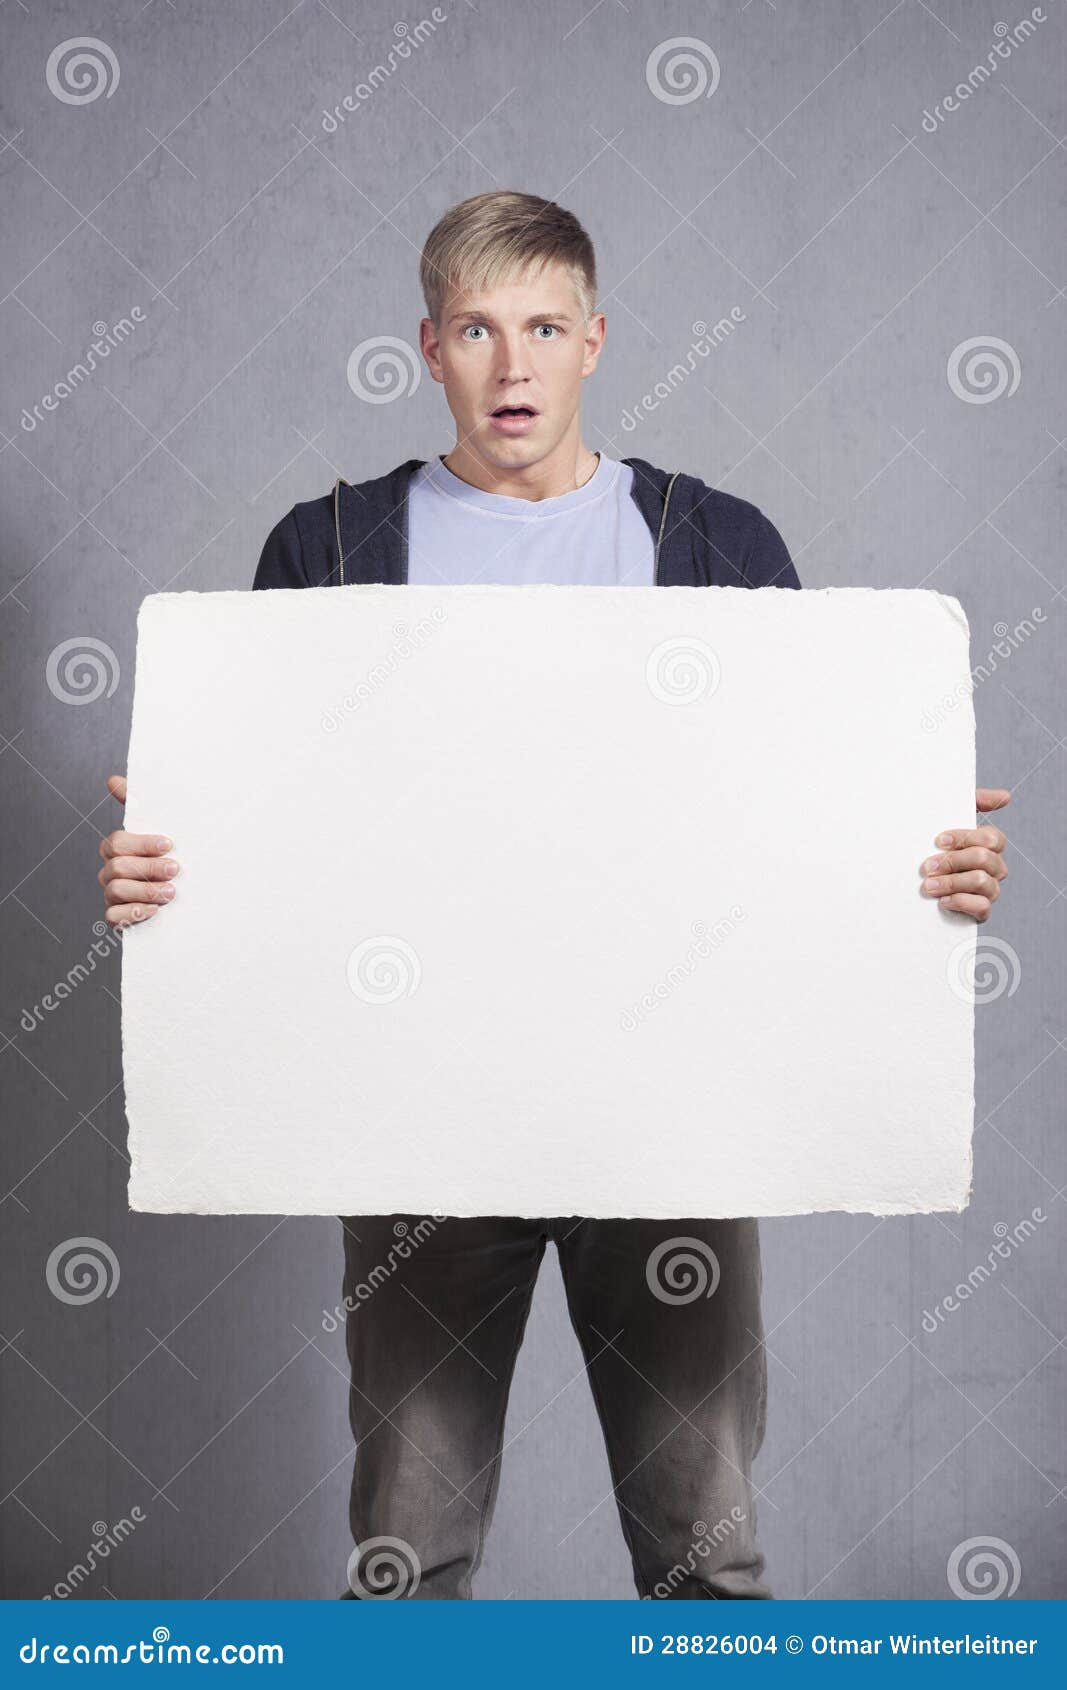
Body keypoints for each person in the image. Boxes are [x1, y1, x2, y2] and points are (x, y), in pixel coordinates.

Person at [97, 191, 1011, 1599]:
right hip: (422, 1123)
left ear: (595, 340)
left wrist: (918, 858)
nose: (510, 366)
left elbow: (797, 812)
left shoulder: (716, 543)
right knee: (409, 1558)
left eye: (539, 328)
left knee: (709, 1552)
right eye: (476, 329)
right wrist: (177, 866)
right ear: (428, 346)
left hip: (673, 1121)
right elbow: (274, 826)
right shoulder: (328, 550)